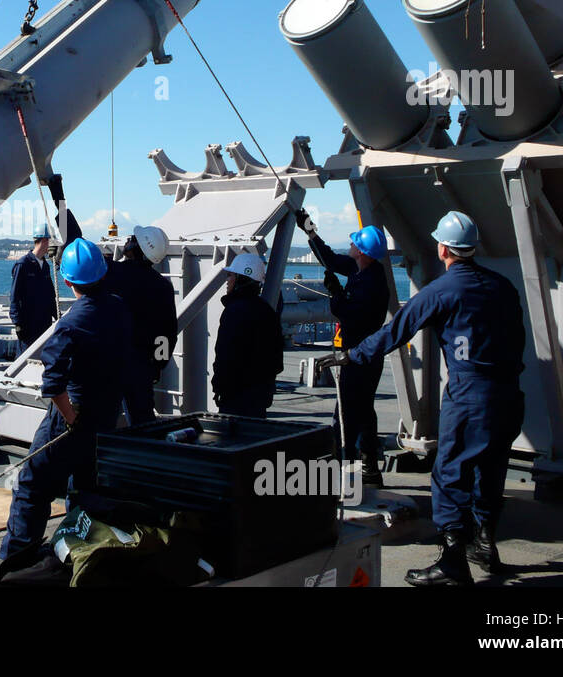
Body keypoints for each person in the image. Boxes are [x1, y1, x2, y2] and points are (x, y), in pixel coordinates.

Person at [320, 210, 526, 586]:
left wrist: (352, 355)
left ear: (443, 249)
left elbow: (395, 331)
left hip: (470, 395)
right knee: (491, 470)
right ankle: (484, 543)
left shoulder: (443, 290)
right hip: (509, 394)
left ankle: (452, 562)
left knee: (450, 474)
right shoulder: (503, 287)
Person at [0, 238, 133, 560]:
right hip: (106, 413)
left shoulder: (71, 323)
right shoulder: (119, 308)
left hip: (72, 416)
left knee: (32, 485)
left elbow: (53, 383)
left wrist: (71, 419)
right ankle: (80, 551)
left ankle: (16, 562)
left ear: (68, 280)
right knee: (86, 487)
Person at [297, 211, 391, 485]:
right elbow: (330, 259)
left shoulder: (370, 284)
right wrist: (310, 231)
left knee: (348, 412)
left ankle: (339, 469)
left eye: (354, 244)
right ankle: (369, 468)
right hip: (364, 356)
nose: (349, 246)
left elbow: (348, 314)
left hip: (359, 357)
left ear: (361, 251)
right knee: (362, 410)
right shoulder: (365, 270)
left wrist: (336, 294)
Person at [103, 225, 177, 425]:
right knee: (143, 420)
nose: (127, 241)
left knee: (103, 419)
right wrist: (157, 365)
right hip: (142, 366)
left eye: (131, 239)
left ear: (138, 247)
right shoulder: (163, 286)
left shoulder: (112, 272)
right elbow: (167, 334)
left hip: (111, 362)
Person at [211, 252, 283, 418]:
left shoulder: (233, 312)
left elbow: (225, 356)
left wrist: (219, 387)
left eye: (231, 275)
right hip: (259, 399)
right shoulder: (268, 312)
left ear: (241, 279)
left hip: (235, 399)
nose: (228, 280)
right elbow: (276, 361)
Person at [9, 225, 58, 351]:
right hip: (28, 325)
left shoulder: (46, 266)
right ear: (44, 240)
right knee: (26, 359)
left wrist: (57, 315)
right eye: (51, 241)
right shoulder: (23, 264)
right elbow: (15, 296)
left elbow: (50, 294)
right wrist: (17, 323)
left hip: (44, 323)